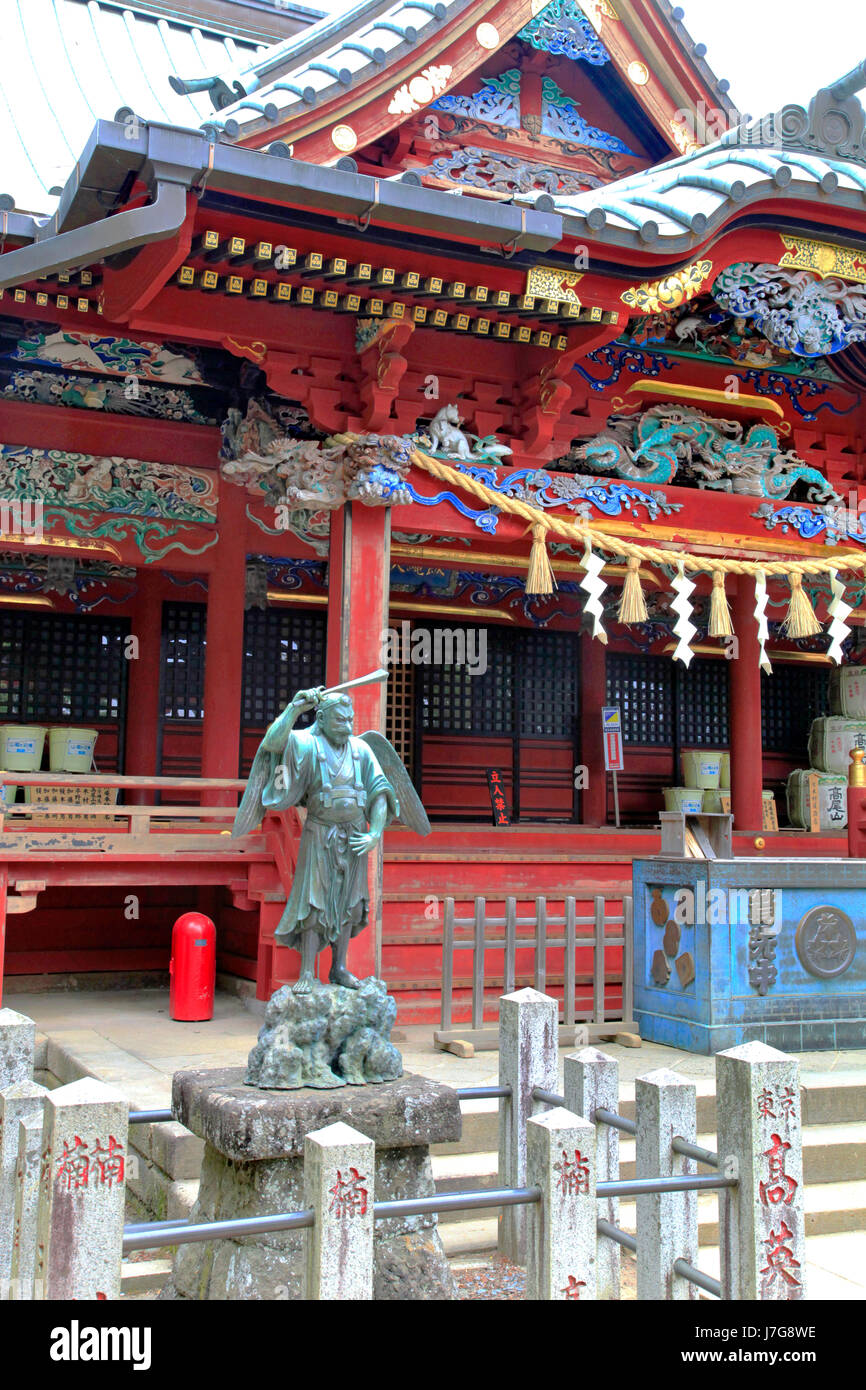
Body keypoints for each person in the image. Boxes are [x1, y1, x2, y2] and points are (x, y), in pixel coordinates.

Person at [235, 687, 398, 994]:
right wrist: (294, 709)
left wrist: (375, 832)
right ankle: (308, 972)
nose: (347, 726)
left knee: (350, 903)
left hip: (354, 836)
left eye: (350, 720)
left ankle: (338, 968)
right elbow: (272, 743)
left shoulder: (362, 750)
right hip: (320, 833)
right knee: (314, 902)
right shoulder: (307, 744)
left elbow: (379, 793)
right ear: (321, 719)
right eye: (339, 720)